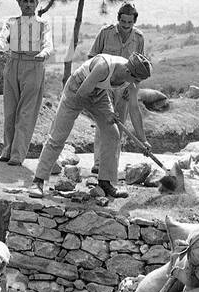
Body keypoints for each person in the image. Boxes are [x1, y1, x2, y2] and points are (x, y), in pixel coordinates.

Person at [29, 52, 152, 200]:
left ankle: (105, 182)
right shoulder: (103, 67)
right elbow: (81, 94)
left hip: (98, 92)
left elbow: (134, 109)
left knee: (113, 135)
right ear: (128, 71)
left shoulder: (132, 79)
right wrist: (106, 114)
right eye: (136, 80)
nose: (136, 84)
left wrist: (143, 140)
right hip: (77, 88)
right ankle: (38, 180)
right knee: (58, 135)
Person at [0, 0, 53, 166]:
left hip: (33, 65)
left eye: (31, 1)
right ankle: (7, 150)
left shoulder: (43, 23)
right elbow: (1, 37)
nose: (28, 4)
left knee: (26, 113)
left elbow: (48, 43)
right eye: (25, 1)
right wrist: (1, 45)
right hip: (13, 64)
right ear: (19, 4)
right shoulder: (11, 21)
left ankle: (17, 155)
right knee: (10, 110)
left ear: (36, 4)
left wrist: (44, 53)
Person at [88, 4, 146, 170]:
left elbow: (140, 67)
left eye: (129, 22)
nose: (126, 25)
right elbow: (92, 57)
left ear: (134, 22)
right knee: (103, 122)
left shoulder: (139, 38)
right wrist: (94, 83)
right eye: (123, 21)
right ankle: (98, 163)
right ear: (118, 19)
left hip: (125, 88)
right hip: (104, 84)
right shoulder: (105, 33)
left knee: (118, 126)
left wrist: (133, 87)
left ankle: (111, 163)